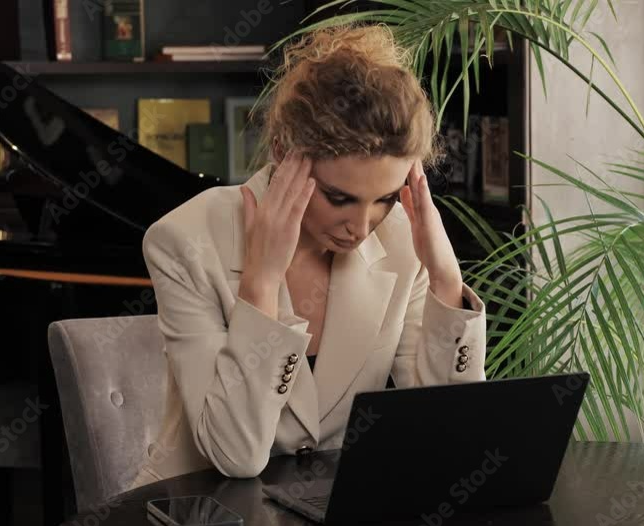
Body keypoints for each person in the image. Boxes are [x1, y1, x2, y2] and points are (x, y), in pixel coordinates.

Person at [131, 24, 487, 484]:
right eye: (340, 198)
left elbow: (451, 436)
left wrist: (444, 281)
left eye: (383, 198)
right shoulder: (184, 241)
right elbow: (235, 455)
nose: (360, 228)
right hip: (201, 524)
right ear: (284, 152)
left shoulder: (402, 241)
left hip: (330, 523)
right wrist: (259, 286)